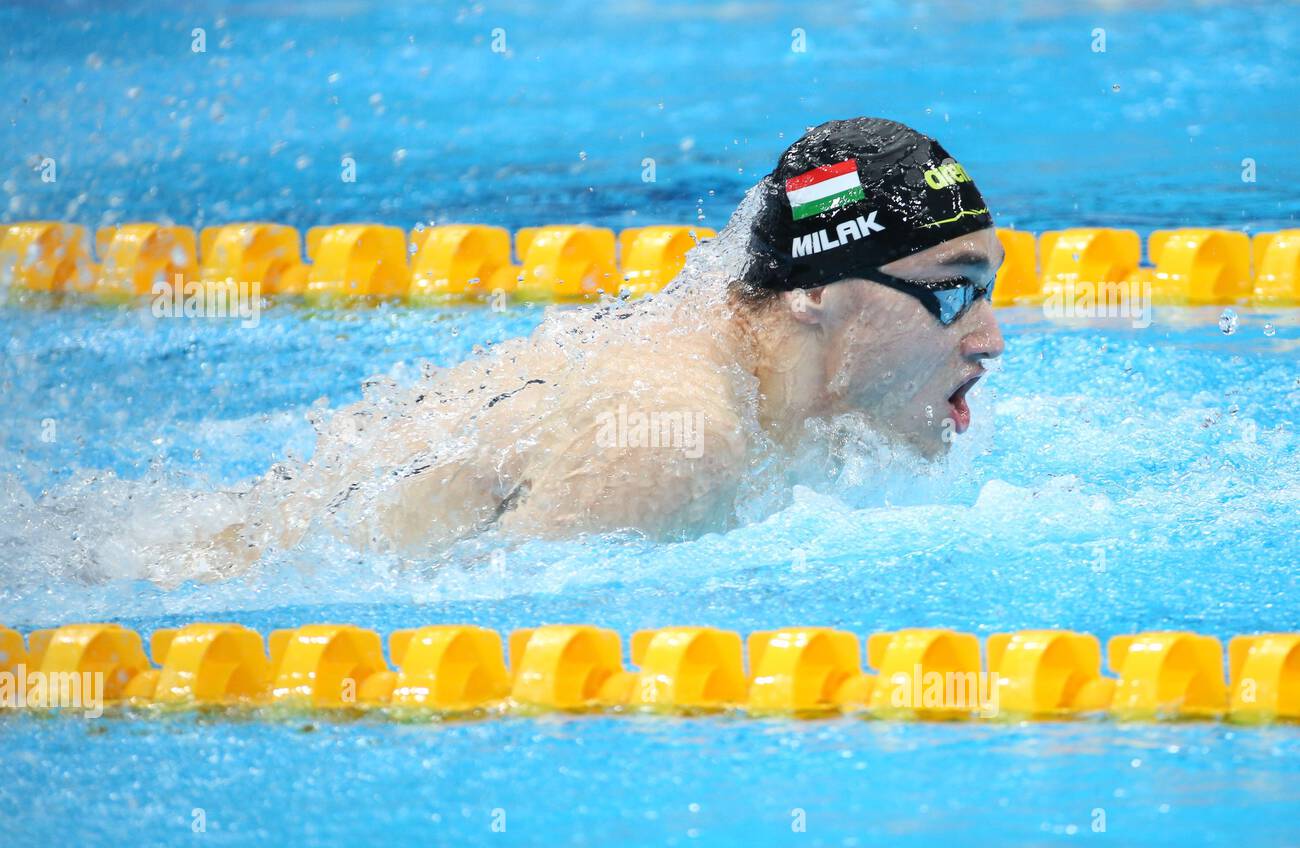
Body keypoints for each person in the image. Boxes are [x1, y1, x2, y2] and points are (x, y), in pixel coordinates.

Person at [193, 117, 1006, 580]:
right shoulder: (678, 442)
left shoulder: (785, 404)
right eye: (952, 291)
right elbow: (494, 659)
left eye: (990, 291)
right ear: (816, 290)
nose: (989, 340)